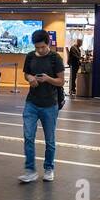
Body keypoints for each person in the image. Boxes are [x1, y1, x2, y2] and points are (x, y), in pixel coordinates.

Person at [19, 29, 65, 184]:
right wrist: (30, 78)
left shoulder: (55, 58)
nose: (39, 50)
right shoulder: (30, 56)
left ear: (48, 43)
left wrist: (47, 79)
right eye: (37, 47)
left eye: (42, 47)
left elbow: (61, 81)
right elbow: (26, 74)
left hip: (50, 104)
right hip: (31, 103)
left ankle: (49, 168)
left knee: (49, 140)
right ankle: (30, 170)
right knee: (28, 137)